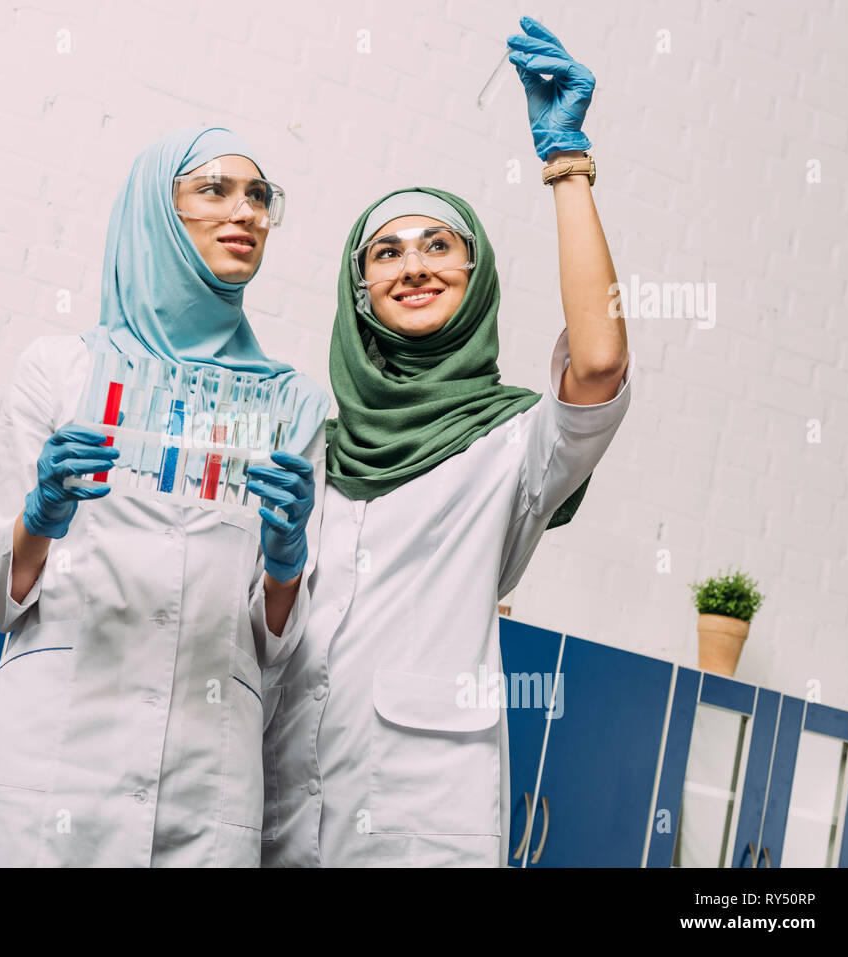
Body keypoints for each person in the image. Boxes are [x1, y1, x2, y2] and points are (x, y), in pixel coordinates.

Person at [260, 17, 634, 867]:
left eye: (440, 246)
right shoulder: (311, 447)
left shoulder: (510, 442)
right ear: (361, 294)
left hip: (422, 830)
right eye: (385, 254)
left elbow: (602, 361)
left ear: (476, 278)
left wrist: (566, 164)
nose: (413, 266)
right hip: (280, 810)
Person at [0, 125, 330, 867]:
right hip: (50, 765)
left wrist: (286, 561)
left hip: (202, 780)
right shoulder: (61, 370)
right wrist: (40, 516)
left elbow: (274, 642)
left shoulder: (292, 406)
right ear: (156, 212)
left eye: (258, 196)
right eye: (213, 190)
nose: (244, 213)